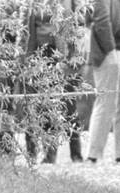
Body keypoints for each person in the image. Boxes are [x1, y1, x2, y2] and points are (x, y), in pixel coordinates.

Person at [22, 0, 85, 163]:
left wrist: (73, 58)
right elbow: (27, 32)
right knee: (35, 106)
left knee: (68, 107)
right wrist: (26, 60)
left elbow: (79, 25)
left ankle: (76, 154)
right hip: (37, 56)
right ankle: (35, 154)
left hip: (62, 55)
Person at [87, 0, 120, 162]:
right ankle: (93, 154)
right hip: (106, 52)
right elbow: (101, 22)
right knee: (106, 102)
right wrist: (110, 51)